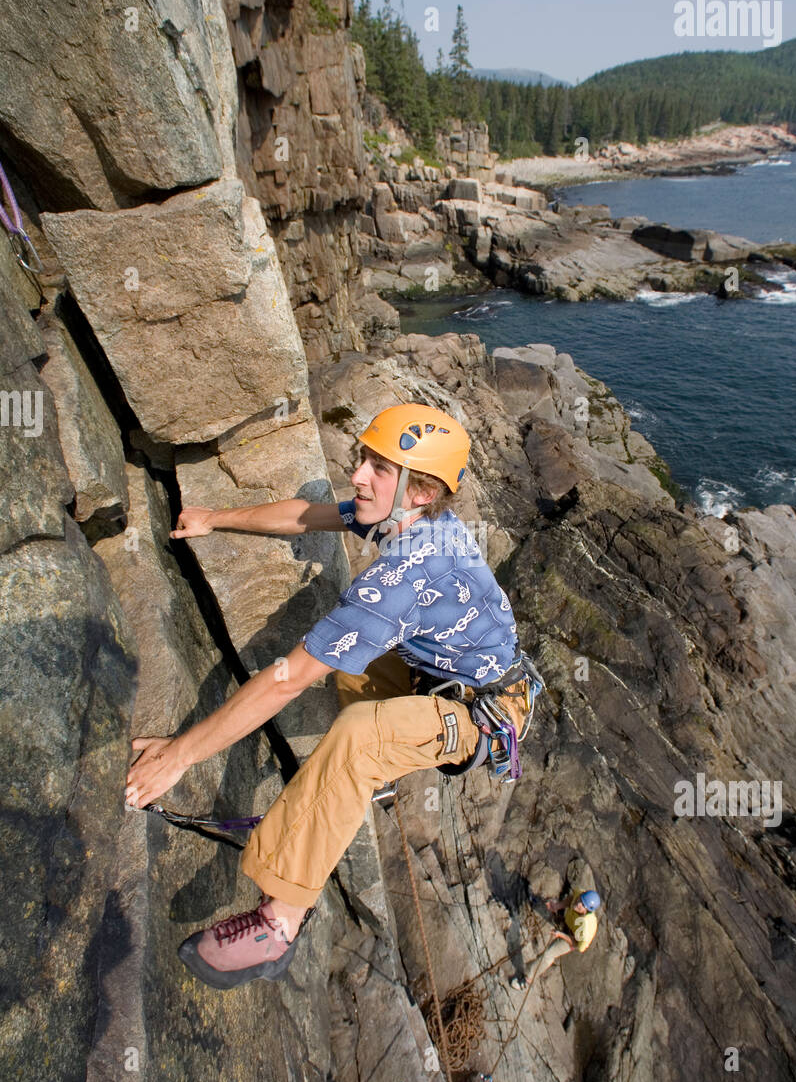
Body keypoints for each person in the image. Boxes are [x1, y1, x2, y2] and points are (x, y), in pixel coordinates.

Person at [125, 403, 534, 990]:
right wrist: (216, 517)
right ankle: (363, 779)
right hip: (443, 674)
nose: (358, 474)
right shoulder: (403, 519)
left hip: (483, 713)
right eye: (363, 458)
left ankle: (279, 923)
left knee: (359, 734)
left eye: (378, 467)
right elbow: (307, 516)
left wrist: (181, 753)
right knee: (345, 656)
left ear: (419, 490)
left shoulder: (406, 571)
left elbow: (288, 679)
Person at [509, 889, 601, 991]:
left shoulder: (585, 925)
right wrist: (556, 906)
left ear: (587, 910)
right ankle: (530, 968)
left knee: (549, 954)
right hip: (568, 923)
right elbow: (571, 899)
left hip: (573, 938)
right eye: (580, 900)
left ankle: (527, 980)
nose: (578, 903)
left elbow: (577, 944)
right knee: (545, 907)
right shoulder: (580, 896)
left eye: (582, 905)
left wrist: (561, 935)